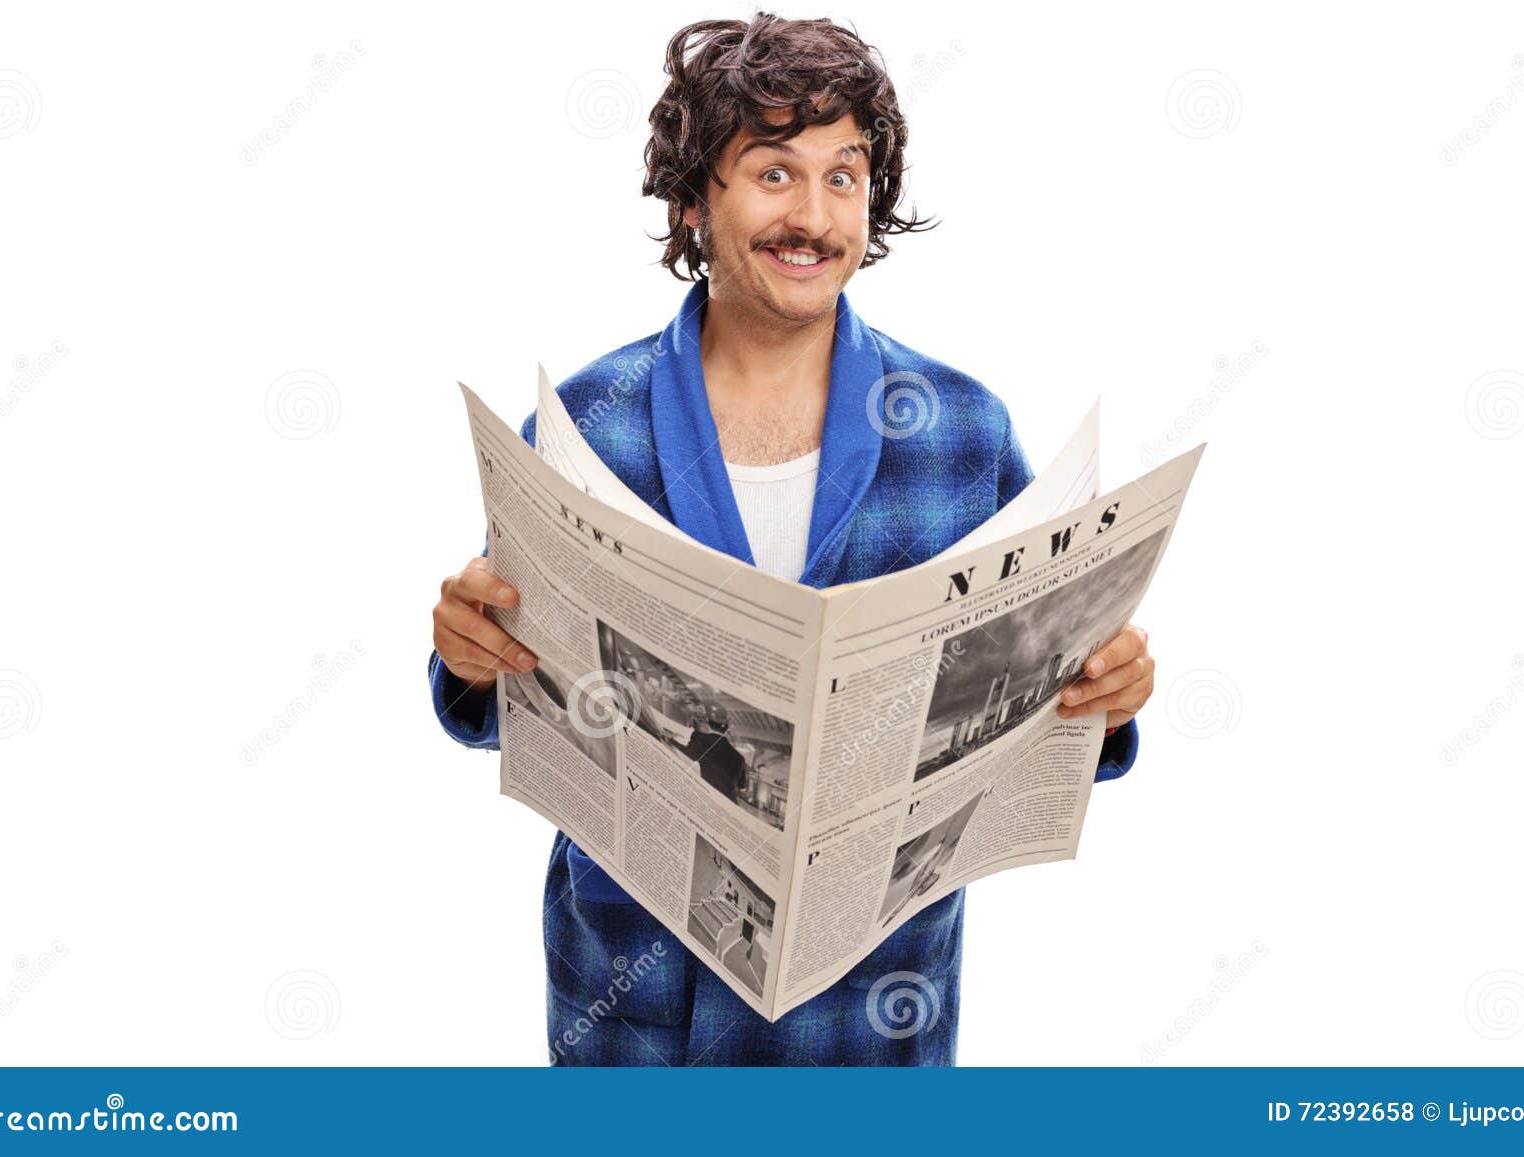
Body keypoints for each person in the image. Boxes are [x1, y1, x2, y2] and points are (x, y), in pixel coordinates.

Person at [428, 13, 1155, 1065]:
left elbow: (1039, 730)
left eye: (844, 177)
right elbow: (511, 711)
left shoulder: (959, 429)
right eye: (773, 173)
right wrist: (466, 655)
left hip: (865, 1036)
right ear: (693, 198)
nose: (812, 216)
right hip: (636, 1027)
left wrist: (1104, 692)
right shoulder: (586, 424)